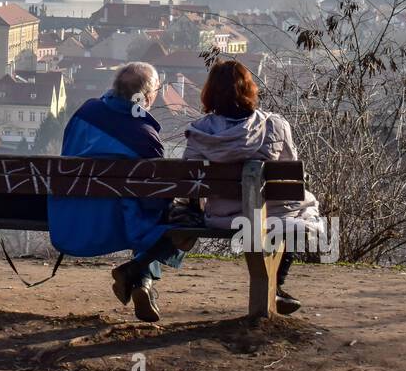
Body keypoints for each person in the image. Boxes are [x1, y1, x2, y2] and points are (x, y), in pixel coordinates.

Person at [183, 59, 323, 315]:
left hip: (223, 218)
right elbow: (290, 174)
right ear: (250, 90)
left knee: (292, 213)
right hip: (271, 215)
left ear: (210, 92)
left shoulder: (200, 131)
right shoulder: (274, 125)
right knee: (302, 210)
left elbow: (189, 179)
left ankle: (276, 289)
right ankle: (276, 285)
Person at [47, 62, 183, 323]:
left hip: (72, 214)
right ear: (146, 97)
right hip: (119, 222)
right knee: (179, 219)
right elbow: (153, 197)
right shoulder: (144, 136)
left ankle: (143, 284)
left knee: (151, 211)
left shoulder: (84, 114)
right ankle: (138, 273)